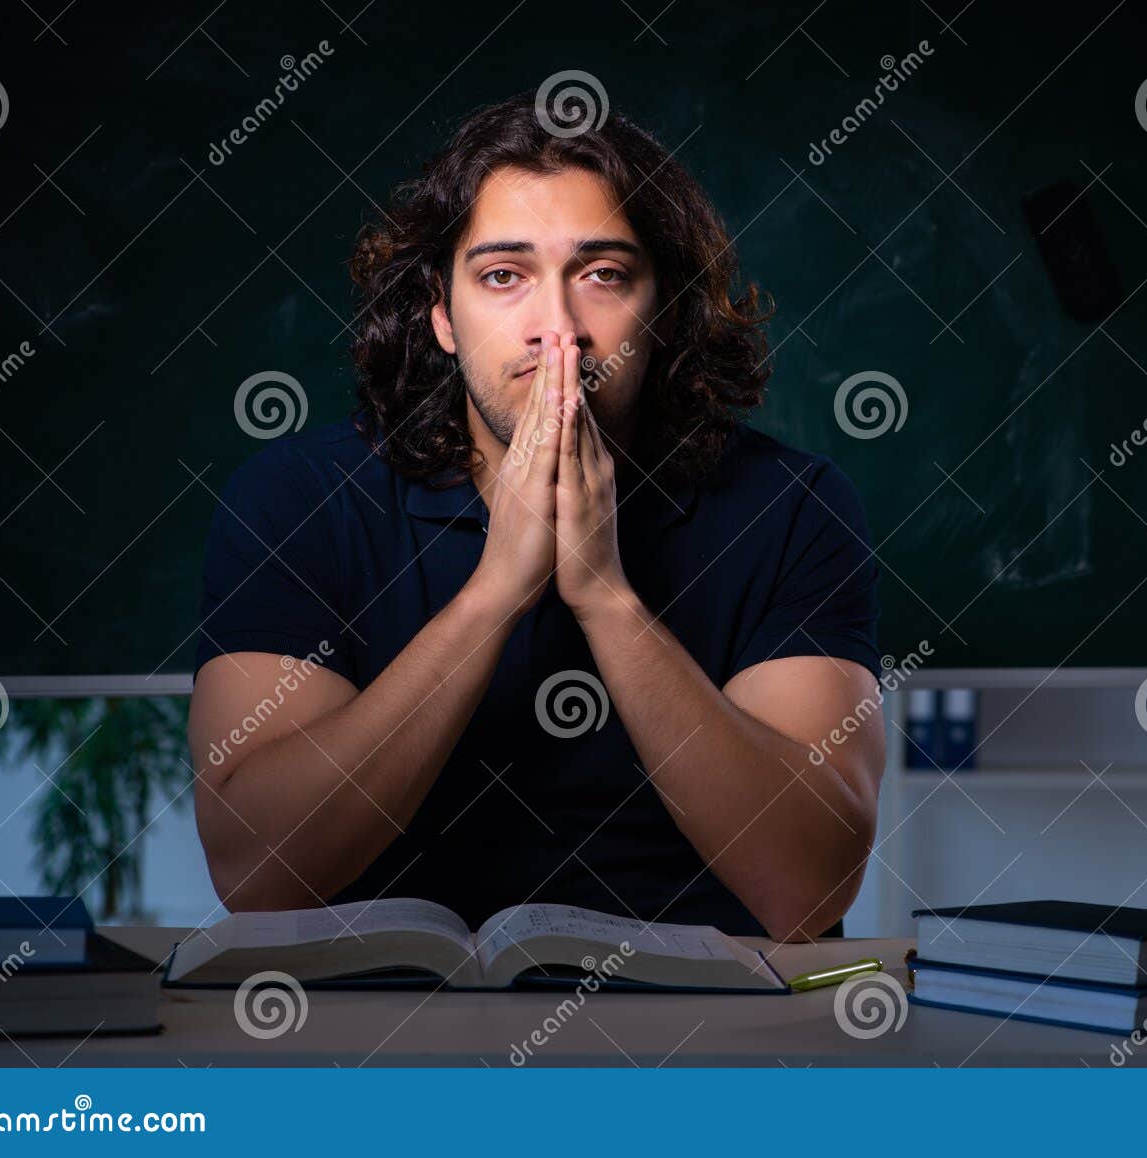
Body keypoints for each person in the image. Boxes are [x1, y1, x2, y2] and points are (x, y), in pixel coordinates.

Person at [187, 92, 885, 942]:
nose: (558, 330)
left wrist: (606, 597)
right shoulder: (298, 497)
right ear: (442, 315)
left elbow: (810, 889)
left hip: (705, 1035)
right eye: (503, 276)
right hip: (382, 1033)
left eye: (603, 276)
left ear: (661, 310)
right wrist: (495, 592)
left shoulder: (790, 506)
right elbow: (259, 873)